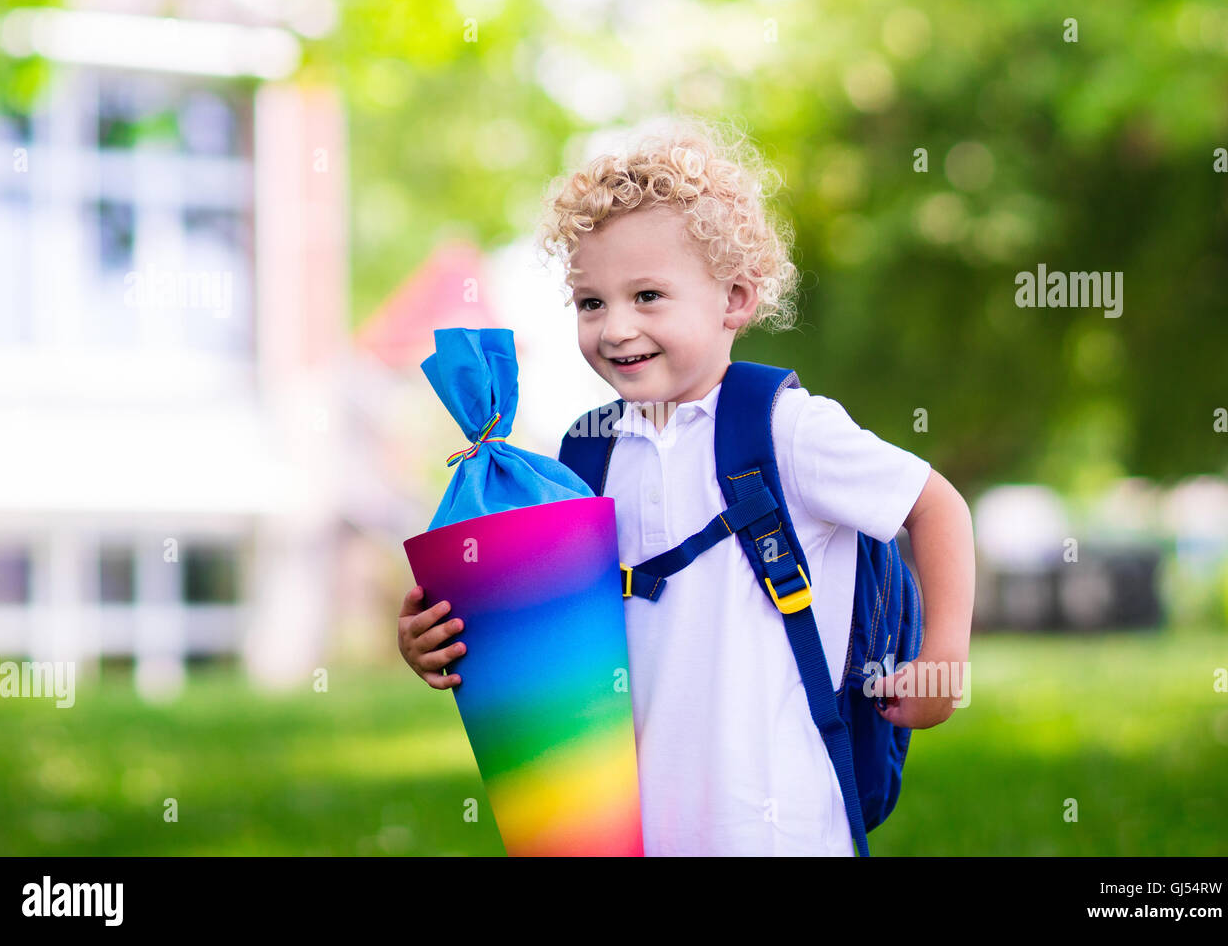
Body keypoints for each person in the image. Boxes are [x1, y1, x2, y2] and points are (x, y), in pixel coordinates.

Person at [399, 115, 975, 855]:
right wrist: (438, 637)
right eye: (591, 302)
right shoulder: (587, 454)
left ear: (734, 300)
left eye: (647, 296)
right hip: (644, 827)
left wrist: (944, 658)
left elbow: (936, 506)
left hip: (780, 823)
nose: (613, 329)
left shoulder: (787, 429)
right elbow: (547, 635)